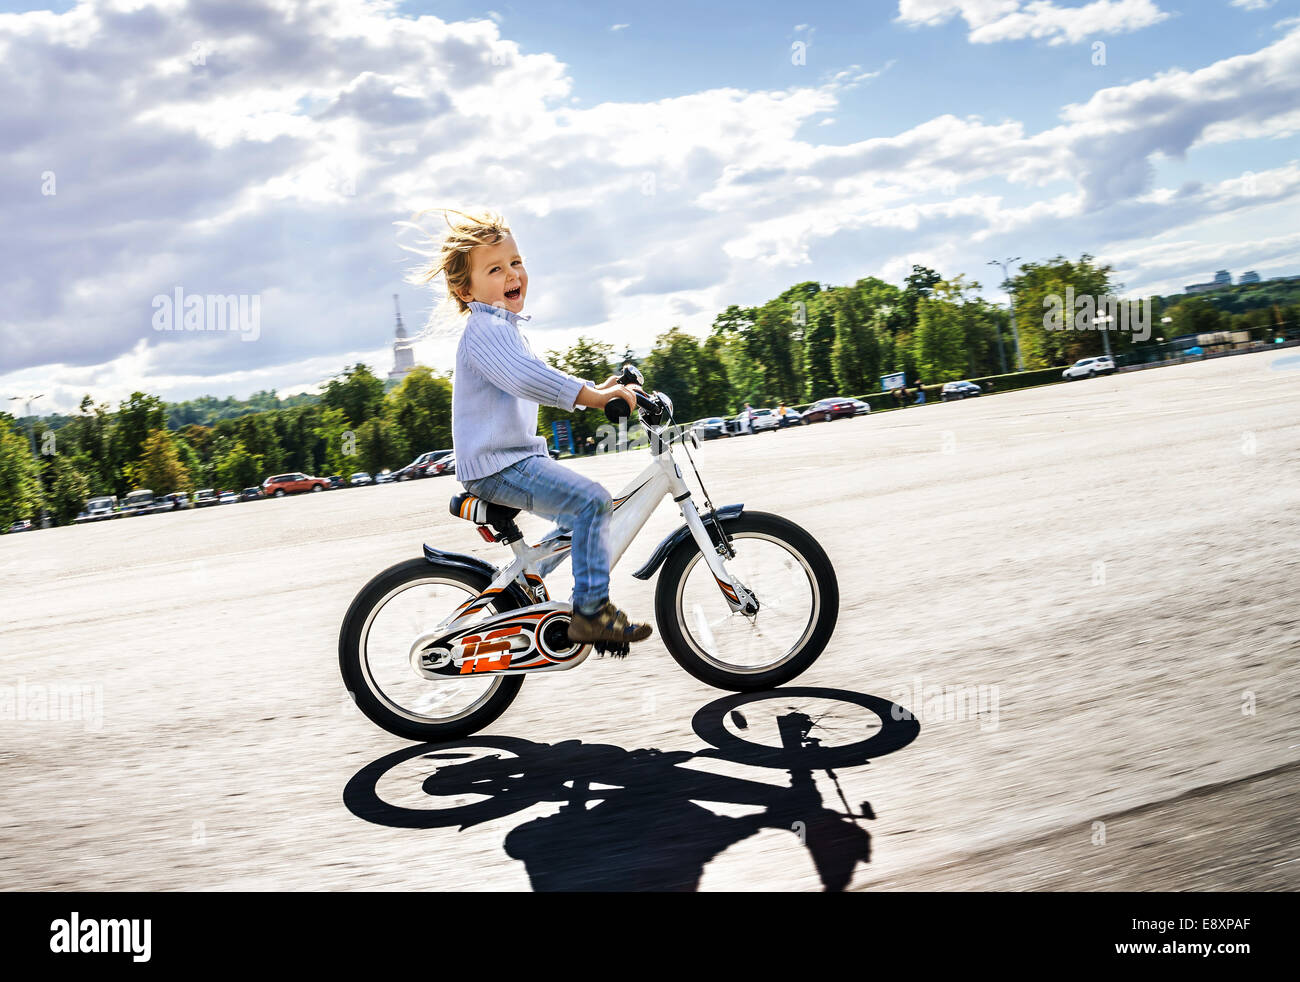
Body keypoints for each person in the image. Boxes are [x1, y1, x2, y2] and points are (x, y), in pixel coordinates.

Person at [414, 208, 651, 648]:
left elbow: (537, 374)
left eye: (516, 262)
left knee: (583, 517)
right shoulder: (485, 329)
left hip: (514, 460)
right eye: (495, 268)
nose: (512, 273)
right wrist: (594, 397)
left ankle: (529, 583)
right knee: (592, 501)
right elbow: (528, 379)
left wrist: (595, 388)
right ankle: (591, 613)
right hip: (501, 465)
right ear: (466, 290)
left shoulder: (505, 329)